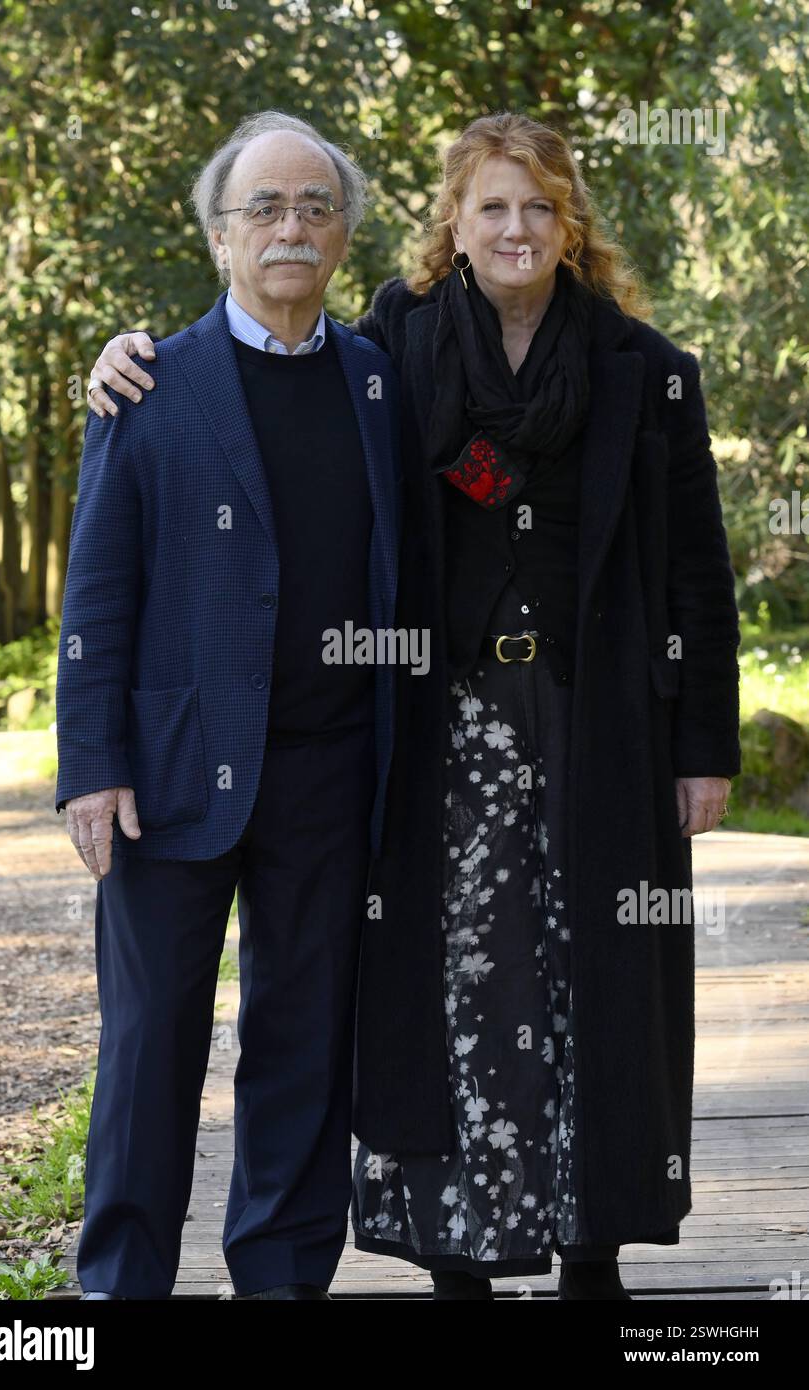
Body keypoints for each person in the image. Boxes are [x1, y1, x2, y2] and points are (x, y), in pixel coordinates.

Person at [87, 111, 741, 1300]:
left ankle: (549, 1249)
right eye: (490, 204)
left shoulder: (609, 374)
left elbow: (698, 569)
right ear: (453, 222)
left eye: (538, 205)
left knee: (556, 994)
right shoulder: (364, 352)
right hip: (369, 742)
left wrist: (702, 743)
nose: (514, 225)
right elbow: (147, 529)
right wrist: (121, 360)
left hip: (522, 736)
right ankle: (413, 1262)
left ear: (568, 223)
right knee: (406, 1005)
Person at [57, 111, 403, 1300]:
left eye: (314, 206)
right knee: (150, 1051)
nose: (291, 227)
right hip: (165, 774)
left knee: (303, 1048)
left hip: (326, 772)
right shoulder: (149, 379)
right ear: (219, 236)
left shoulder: (374, 379)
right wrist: (88, 764)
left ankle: (281, 1281)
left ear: (344, 232)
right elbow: (95, 584)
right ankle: (118, 1290)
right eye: (265, 207)